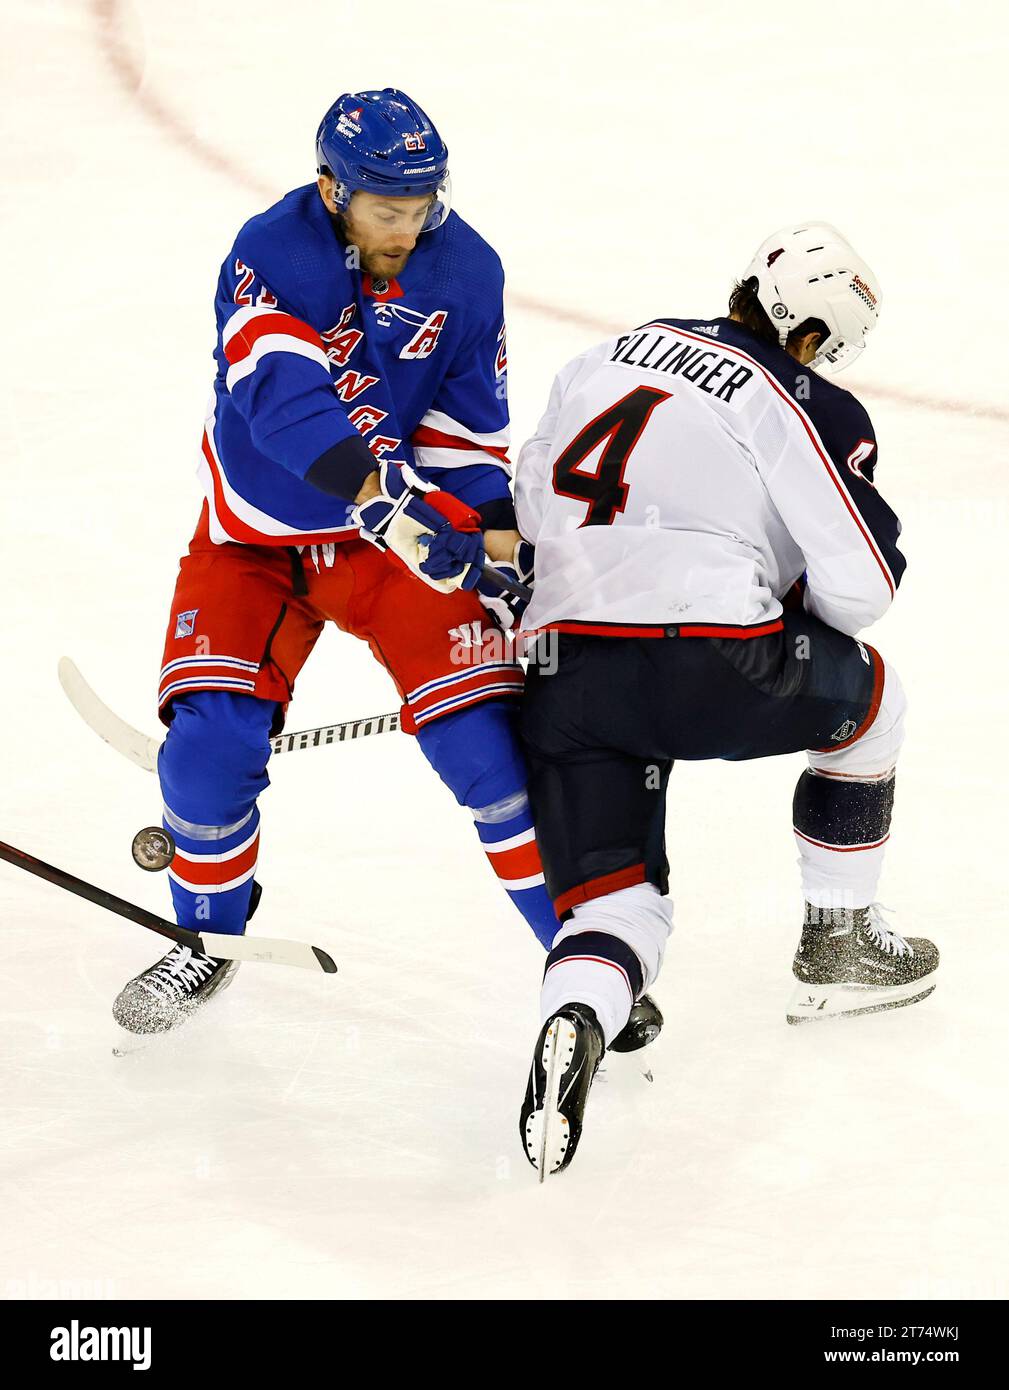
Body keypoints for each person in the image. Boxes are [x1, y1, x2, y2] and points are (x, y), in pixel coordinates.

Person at [111, 88, 666, 1048]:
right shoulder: (269, 254)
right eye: (386, 210)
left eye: (420, 207)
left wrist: (491, 537)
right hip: (257, 542)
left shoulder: (466, 269)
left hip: (388, 539)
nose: (407, 229)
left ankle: (583, 965)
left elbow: (462, 435)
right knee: (207, 752)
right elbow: (283, 408)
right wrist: (380, 500)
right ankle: (204, 938)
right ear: (333, 190)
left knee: (488, 753)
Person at [513, 223, 939, 1177]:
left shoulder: (606, 352)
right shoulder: (805, 399)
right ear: (812, 339)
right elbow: (861, 590)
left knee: (611, 909)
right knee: (874, 702)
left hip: (566, 677)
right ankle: (837, 949)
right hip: (715, 666)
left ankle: (575, 1013)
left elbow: (532, 503)